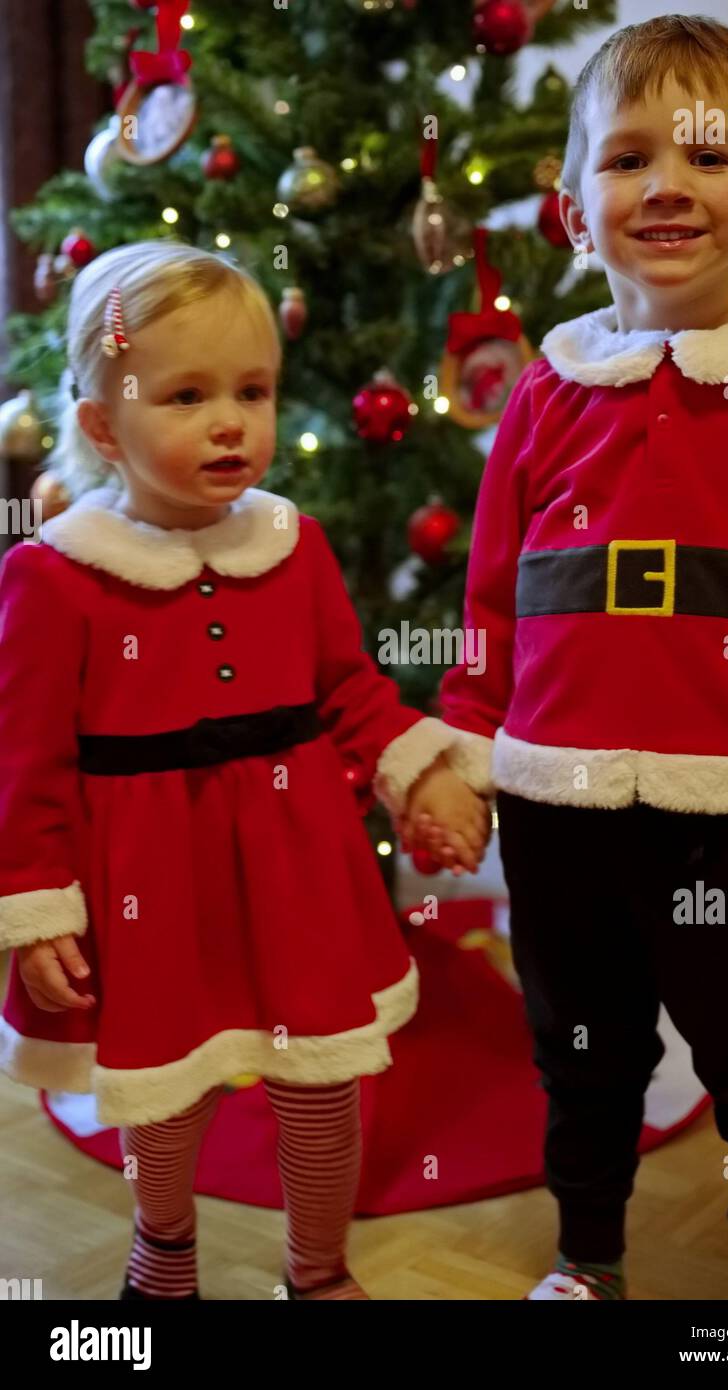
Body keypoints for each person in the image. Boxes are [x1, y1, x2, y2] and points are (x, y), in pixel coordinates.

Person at [403, 15, 728, 1301]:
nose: (666, 183)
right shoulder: (544, 397)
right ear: (571, 211)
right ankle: (590, 1258)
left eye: (710, 159)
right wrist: (468, 750)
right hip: (563, 811)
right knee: (583, 1052)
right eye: (628, 158)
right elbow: (491, 594)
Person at [0, 239, 489, 1301]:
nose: (231, 420)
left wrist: (426, 776)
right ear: (100, 426)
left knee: (325, 1081)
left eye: (253, 390)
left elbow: (353, 693)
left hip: (296, 870)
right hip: (150, 884)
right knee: (164, 1093)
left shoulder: (291, 544)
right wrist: (39, 912)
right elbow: (24, 764)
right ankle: (162, 1250)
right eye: (186, 395)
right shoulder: (54, 578)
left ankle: (316, 1270)